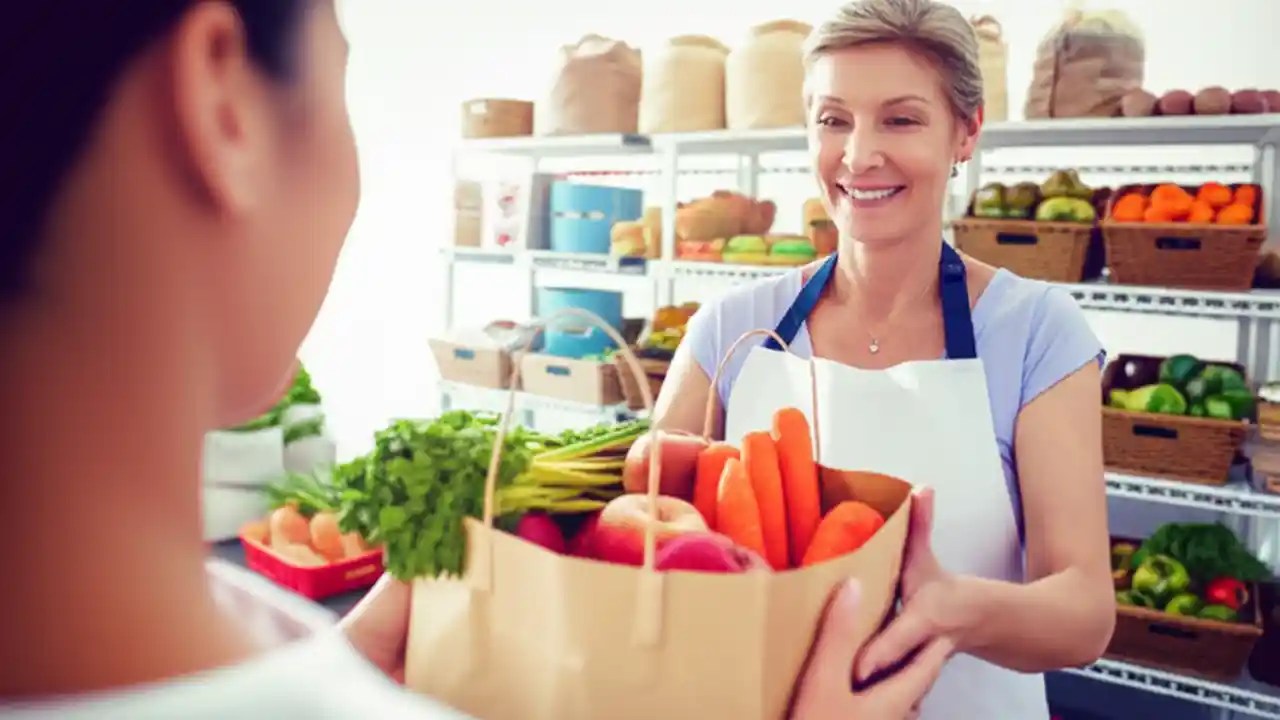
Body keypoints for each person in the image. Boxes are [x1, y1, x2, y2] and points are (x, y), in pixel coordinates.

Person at [0, 1, 946, 718]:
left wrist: (349, 656)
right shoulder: (734, 319)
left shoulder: (234, 628)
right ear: (224, 109)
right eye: (342, 79)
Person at [653, 0, 1116, 718]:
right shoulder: (730, 329)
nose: (859, 155)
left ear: (966, 133)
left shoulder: (1034, 331)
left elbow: (1084, 611)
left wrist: (954, 611)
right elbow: (646, 535)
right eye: (833, 119)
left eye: (900, 119)